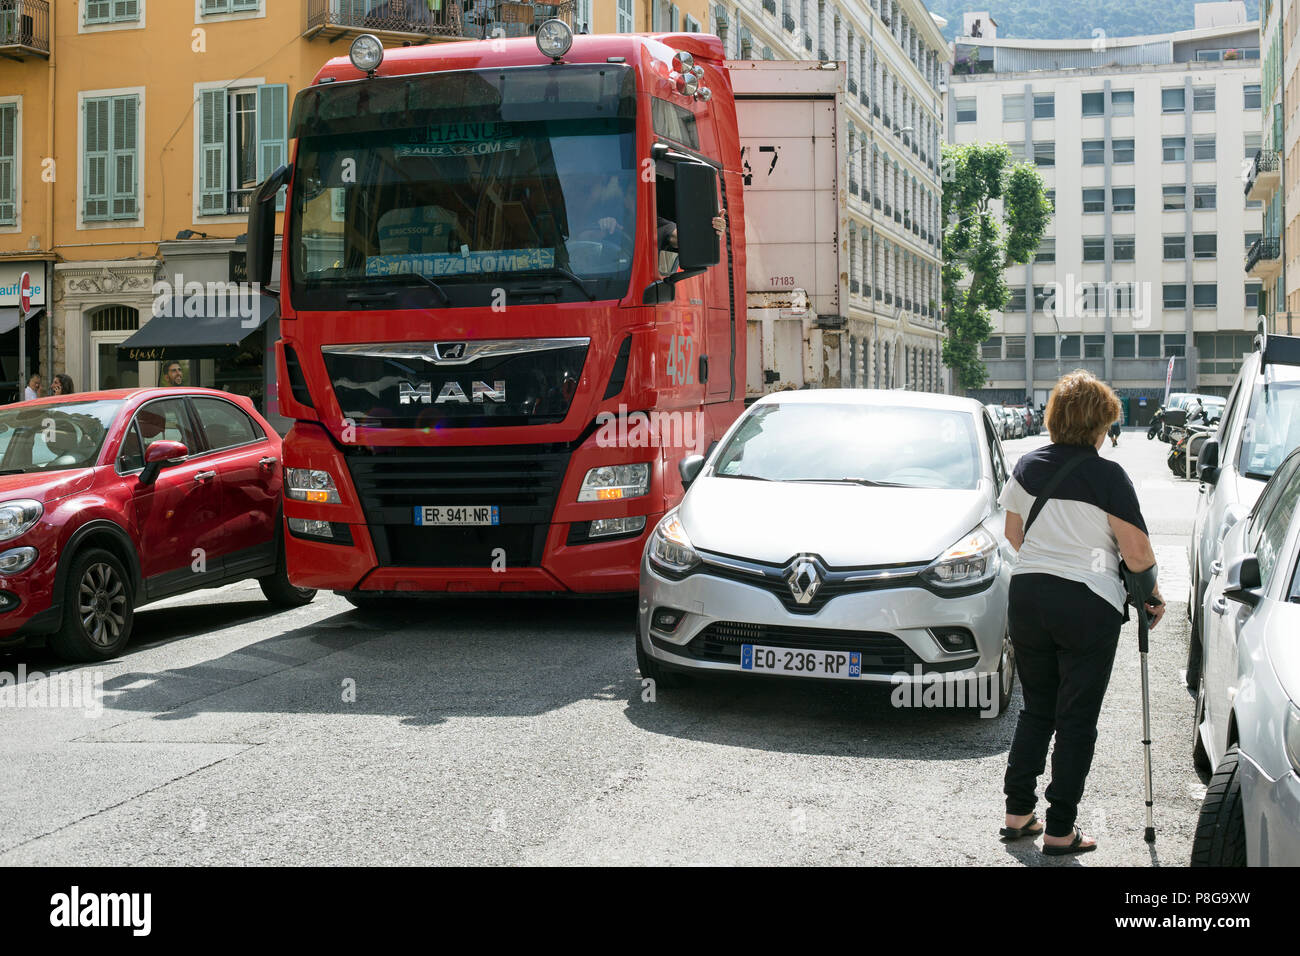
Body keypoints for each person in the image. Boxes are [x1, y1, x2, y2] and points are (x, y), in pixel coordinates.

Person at [997, 370, 1165, 856]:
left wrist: (1052, 555)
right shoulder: (1109, 477)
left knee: (1037, 709)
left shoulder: (1027, 466)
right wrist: (1150, 594)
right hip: (1087, 604)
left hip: (1028, 597)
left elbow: (1013, 535)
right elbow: (1136, 553)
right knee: (1076, 718)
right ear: (1097, 426)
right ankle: (1060, 829)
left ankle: (1017, 812)